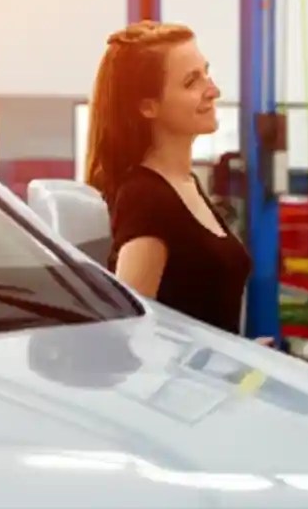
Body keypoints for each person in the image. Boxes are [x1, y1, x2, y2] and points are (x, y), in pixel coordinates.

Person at [84, 20, 254, 337]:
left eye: (207, 72)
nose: (213, 90)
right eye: (192, 82)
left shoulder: (186, 184)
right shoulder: (147, 197)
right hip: (189, 386)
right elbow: (131, 335)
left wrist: (243, 360)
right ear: (148, 107)